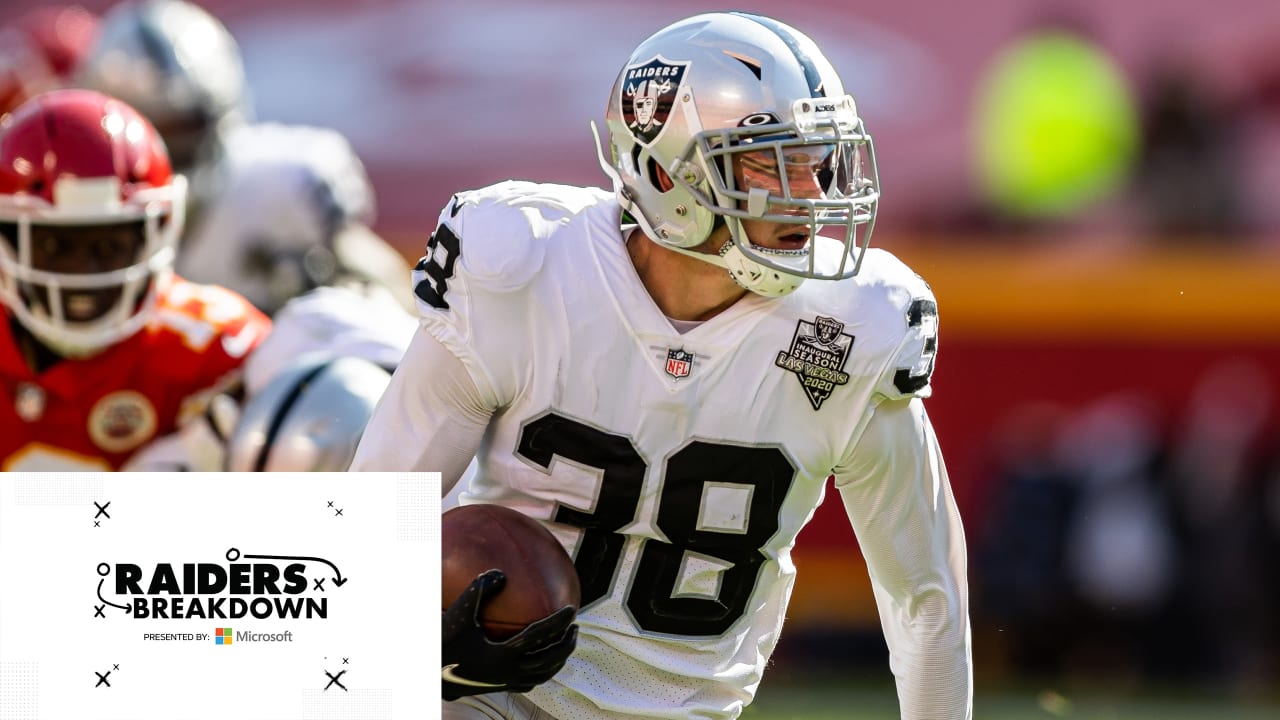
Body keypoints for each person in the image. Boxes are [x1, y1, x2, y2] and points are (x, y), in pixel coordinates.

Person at [351, 11, 971, 720]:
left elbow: (925, 597)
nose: (813, 194)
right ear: (661, 170)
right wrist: (402, 644)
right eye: (769, 160)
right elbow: (367, 520)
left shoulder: (852, 326)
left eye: (818, 159)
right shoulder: (520, 269)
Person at [0, 88, 269, 472]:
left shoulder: (215, 348)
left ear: (158, 232)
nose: (84, 274)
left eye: (110, 246)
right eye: (56, 246)